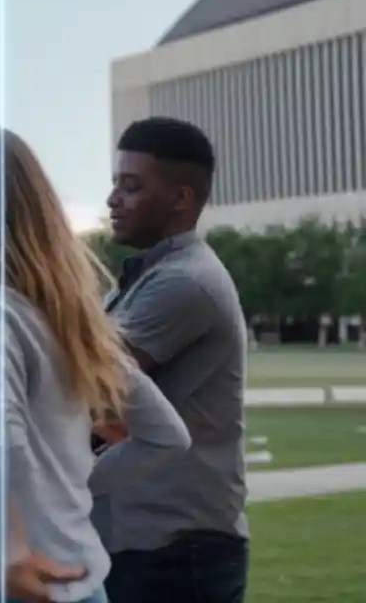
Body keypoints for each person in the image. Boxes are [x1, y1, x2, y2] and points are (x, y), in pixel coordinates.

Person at [0, 123, 190, 603]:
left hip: (18, 585)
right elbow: (167, 436)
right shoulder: (66, 321)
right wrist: (74, 487)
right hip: (80, 583)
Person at [98, 117, 249, 603]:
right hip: (151, 544)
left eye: (131, 186)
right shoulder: (146, 276)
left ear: (181, 199)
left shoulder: (185, 281)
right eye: (116, 184)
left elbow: (94, 393)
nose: (112, 199)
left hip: (176, 551)